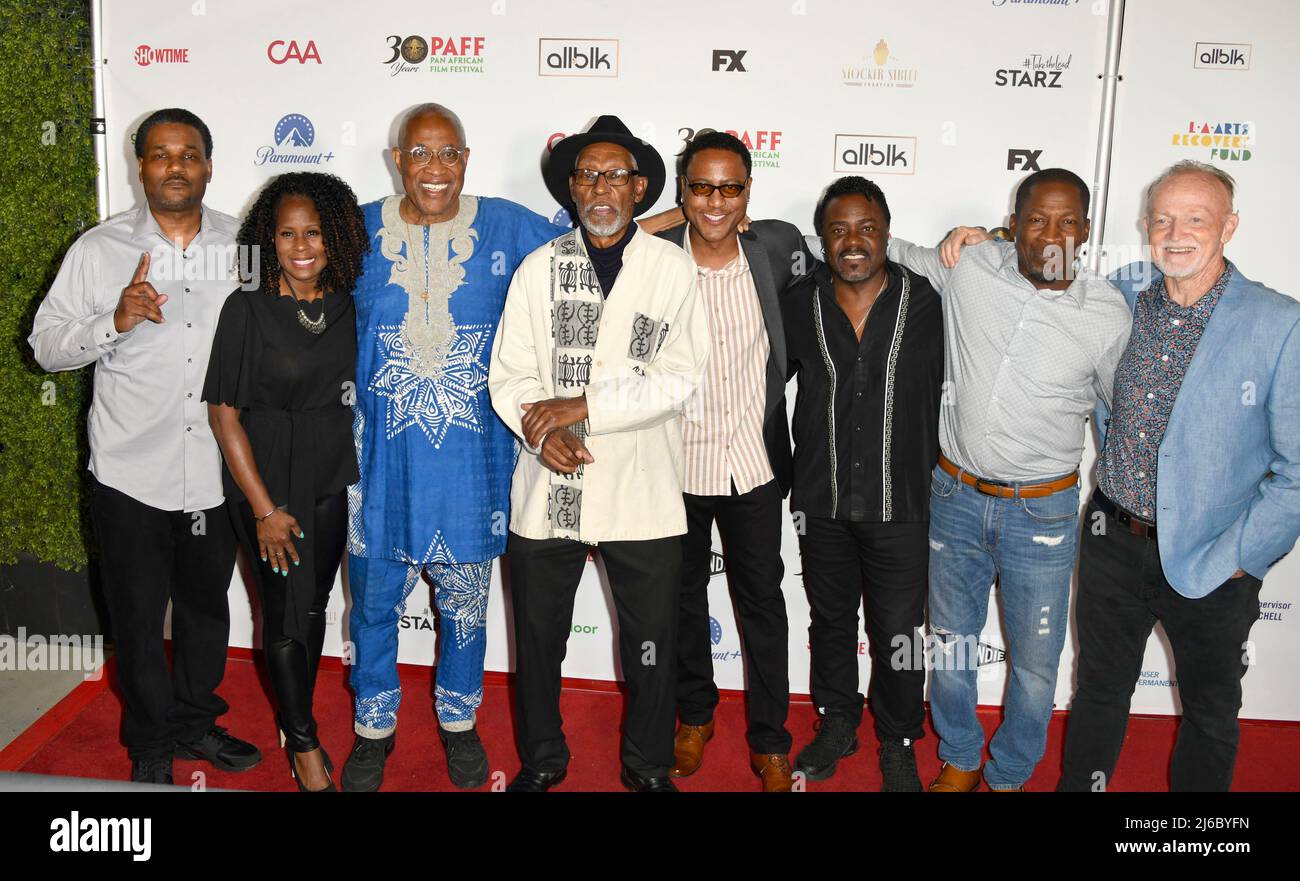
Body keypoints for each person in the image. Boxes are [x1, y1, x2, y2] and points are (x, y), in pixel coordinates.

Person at [29, 108, 261, 784]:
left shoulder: (244, 247)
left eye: (188, 154)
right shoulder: (98, 250)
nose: (175, 167)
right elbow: (46, 347)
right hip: (130, 470)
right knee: (135, 617)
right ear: (141, 168)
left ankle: (195, 722)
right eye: (161, 154)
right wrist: (115, 319)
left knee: (205, 610)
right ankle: (151, 742)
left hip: (216, 469)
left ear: (209, 167)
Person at [341, 103, 567, 791]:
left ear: (466, 159)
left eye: (448, 153)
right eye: (419, 153)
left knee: (466, 611)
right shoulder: (355, 229)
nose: (434, 168)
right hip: (379, 468)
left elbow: (593, 247)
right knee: (373, 607)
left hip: (473, 469)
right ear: (397, 160)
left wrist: (684, 220)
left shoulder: (507, 225)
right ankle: (373, 727)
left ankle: (459, 722)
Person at [1057, 161, 1300, 792]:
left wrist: (1243, 554)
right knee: (1098, 689)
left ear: (1229, 227)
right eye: (1162, 219)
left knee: (1210, 713)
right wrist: (980, 239)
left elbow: (1297, 470)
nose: (1176, 233)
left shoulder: (1279, 323)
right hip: (1112, 537)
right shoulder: (1122, 296)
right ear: (1145, 225)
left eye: (1196, 218)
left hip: (1215, 553)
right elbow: (1040, 276)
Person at [887, 168, 1131, 791]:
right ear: (1013, 223)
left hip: (1042, 513)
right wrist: (767, 236)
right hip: (955, 498)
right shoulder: (970, 266)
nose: (1052, 235)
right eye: (1037, 220)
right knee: (950, 644)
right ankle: (962, 756)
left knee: (1036, 664)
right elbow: (881, 245)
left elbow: (1123, 416)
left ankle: (1011, 773)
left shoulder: (1107, 314)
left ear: (1086, 230)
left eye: (1068, 222)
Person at [489, 114, 709, 792]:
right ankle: (542, 760)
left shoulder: (672, 268)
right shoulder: (539, 269)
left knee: (651, 646)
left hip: (642, 489)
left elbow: (680, 377)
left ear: (639, 188)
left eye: (615, 175)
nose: (601, 187)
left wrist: (582, 407)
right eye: (588, 175)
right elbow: (509, 375)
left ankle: (647, 767)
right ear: (572, 188)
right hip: (548, 485)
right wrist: (542, 431)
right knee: (538, 642)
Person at [655, 131, 812, 792]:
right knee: (682, 601)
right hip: (675, 464)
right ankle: (695, 715)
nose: (716, 201)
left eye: (730, 188)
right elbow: (600, 239)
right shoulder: (654, 256)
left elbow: (849, 261)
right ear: (681, 191)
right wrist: (669, 219)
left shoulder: (776, 246)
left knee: (763, 604)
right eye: (701, 187)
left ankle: (771, 739)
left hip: (752, 461)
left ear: (750, 191)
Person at [204, 172, 369, 792]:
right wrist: (264, 509)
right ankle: (302, 743)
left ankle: (295, 715)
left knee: (313, 606)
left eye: (314, 232)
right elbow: (224, 417)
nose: (302, 246)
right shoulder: (246, 306)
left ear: (336, 236)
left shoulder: (349, 301)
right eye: (287, 234)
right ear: (266, 240)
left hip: (329, 471)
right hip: (265, 478)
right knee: (282, 615)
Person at [783, 177, 944, 791]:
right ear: (822, 239)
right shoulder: (798, 301)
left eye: (867, 228)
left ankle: (898, 739)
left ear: (887, 232)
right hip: (820, 498)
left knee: (898, 631)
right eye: (839, 229)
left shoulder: (929, 301)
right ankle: (837, 722)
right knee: (829, 619)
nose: (854, 241)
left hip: (901, 501)